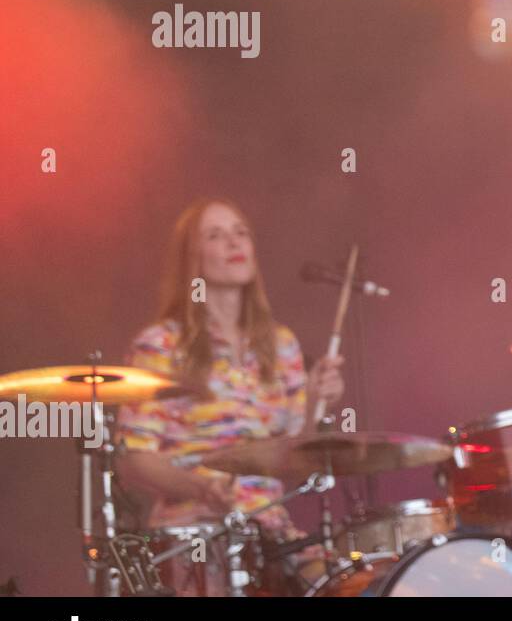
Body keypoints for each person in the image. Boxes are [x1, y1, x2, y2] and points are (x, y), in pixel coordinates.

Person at [116, 197, 344, 591]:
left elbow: (293, 457)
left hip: (271, 533)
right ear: (193, 259)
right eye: (216, 236)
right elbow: (133, 459)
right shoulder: (161, 345)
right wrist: (199, 487)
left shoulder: (281, 345)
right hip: (194, 538)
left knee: (350, 579)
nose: (234, 243)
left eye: (241, 233)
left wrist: (315, 399)